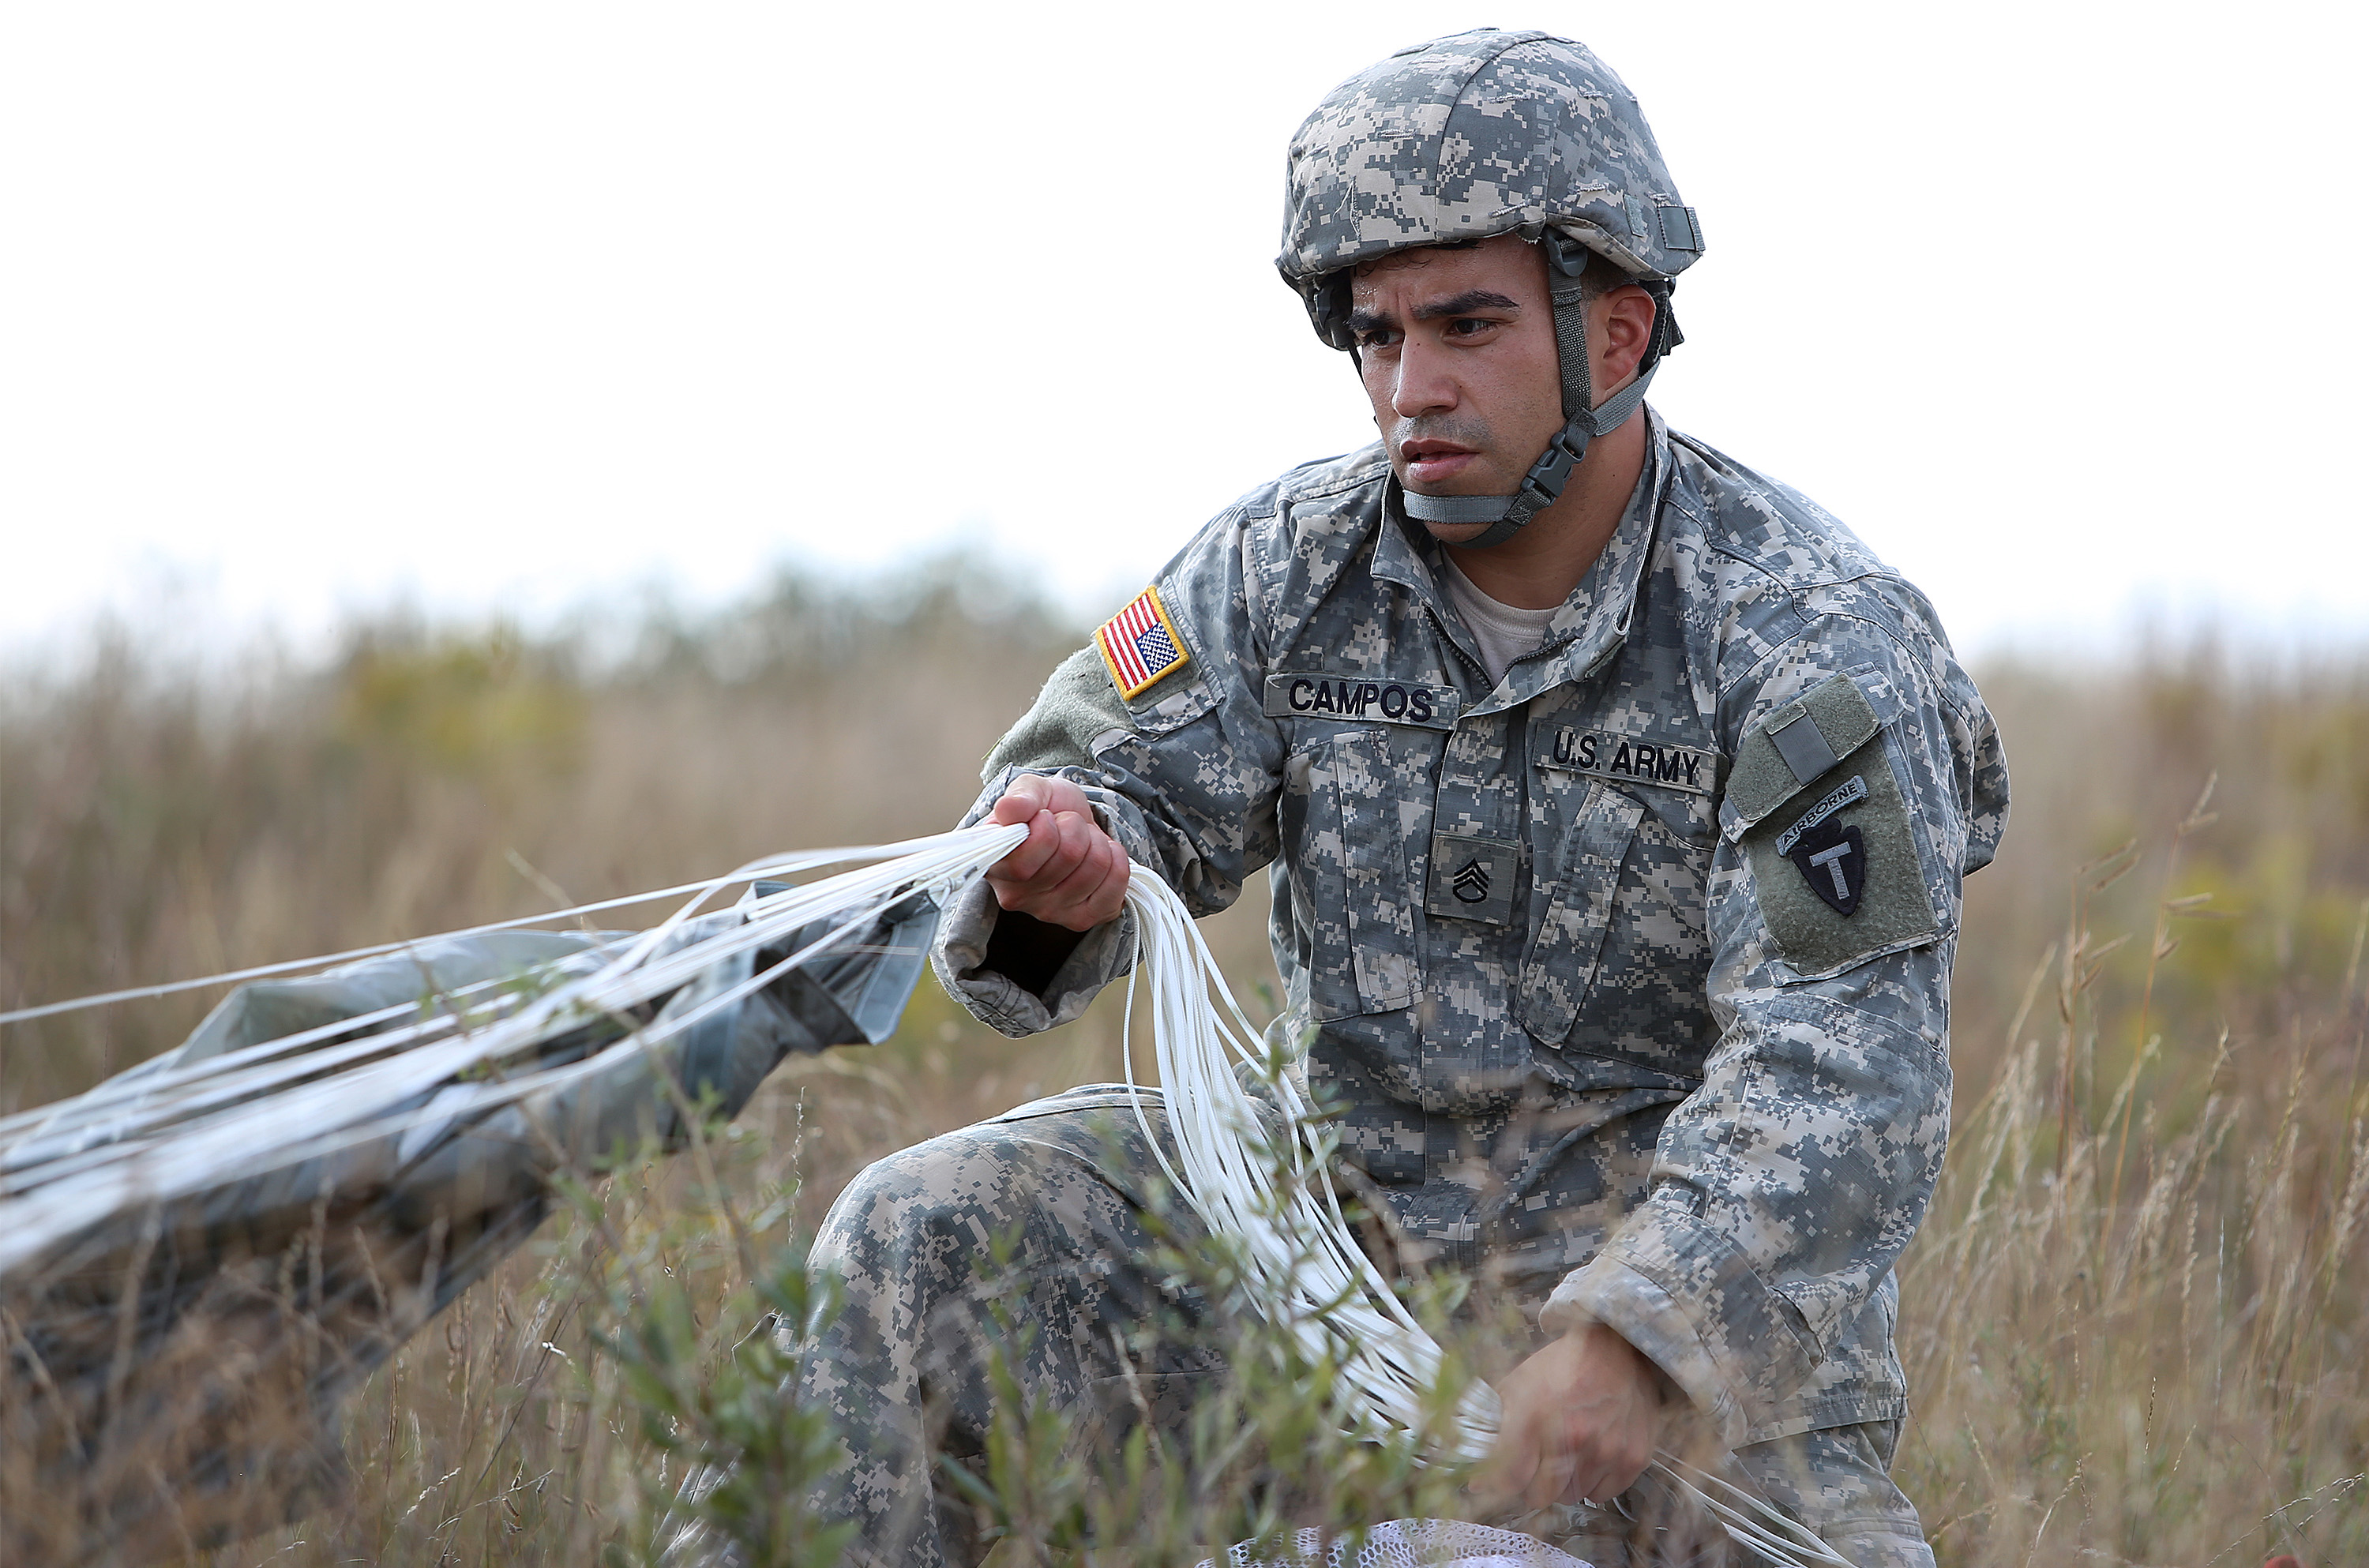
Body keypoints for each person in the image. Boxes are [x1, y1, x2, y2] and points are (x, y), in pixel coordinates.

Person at [793, 28, 2007, 1568]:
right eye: (1375, 337)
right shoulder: (1285, 569)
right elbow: (1068, 813)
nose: (1409, 388)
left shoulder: (1810, 639)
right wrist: (1048, 882)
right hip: (1323, 1260)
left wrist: (1633, 1345)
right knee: (918, 1236)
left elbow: (1847, 1082)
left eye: (1469, 325)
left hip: (1684, 1376)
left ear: (1616, 336)